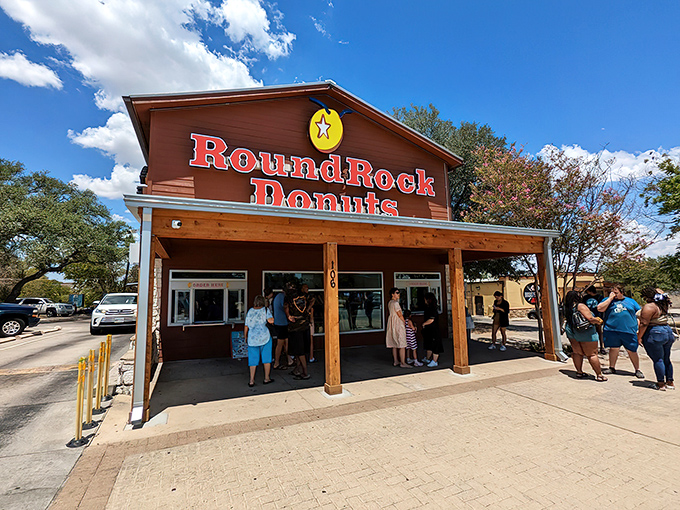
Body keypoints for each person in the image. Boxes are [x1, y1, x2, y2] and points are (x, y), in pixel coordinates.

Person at [596, 284, 644, 378]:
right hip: (612, 330)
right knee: (613, 349)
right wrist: (610, 299)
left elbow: (639, 314)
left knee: (632, 350)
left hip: (628, 331)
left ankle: (637, 369)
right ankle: (612, 367)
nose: (614, 294)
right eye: (612, 292)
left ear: (622, 292)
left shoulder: (631, 301)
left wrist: (637, 327)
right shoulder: (607, 300)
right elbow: (600, 308)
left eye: (616, 292)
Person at [564, 290, 607, 381]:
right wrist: (599, 321)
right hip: (585, 331)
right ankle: (599, 375)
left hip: (571, 330)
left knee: (577, 352)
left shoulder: (567, 307)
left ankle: (579, 372)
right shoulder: (580, 306)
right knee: (592, 354)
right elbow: (590, 319)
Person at [638, 287, 675, 390]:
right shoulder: (663, 303)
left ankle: (661, 384)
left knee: (658, 359)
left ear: (645, 297)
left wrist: (639, 337)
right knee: (666, 359)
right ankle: (670, 382)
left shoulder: (649, 307)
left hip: (655, 332)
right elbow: (662, 292)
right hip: (667, 330)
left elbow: (644, 324)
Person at [244, 295, 275, 387]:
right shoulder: (265, 310)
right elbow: (271, 321)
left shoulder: (250, 311)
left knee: (252, 361)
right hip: (265, 337)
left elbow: (246, 325)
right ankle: (266, 378)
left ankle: (251, 380)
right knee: (266, 359)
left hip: (252, 339)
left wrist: (245, 336)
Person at [286, 285, 314, 380]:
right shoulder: (304, 297)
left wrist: (288, 315)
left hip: (295, 327)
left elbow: (285, 307)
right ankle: (297, 369)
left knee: (299, 351)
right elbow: (313, 299)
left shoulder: (289, 298)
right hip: (305, 325)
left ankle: (305, 373)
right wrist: (307, 309)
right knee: (300, 351)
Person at [386, 287, 411, 368]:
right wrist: (404, 322)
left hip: (391, 323)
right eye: (397, 292)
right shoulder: (396, 303)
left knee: (394, 343)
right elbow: (399, 314)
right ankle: (403, 363)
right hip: (397, 323)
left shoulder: (390, 302)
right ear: (392, 294)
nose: (398, 294)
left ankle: (396, 361)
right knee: (402, 343)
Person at [272, 283, 294, 370]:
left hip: (278, 322)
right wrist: (289, 316)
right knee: (280, 343)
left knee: (285, 342)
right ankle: (276, 363)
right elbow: (285, 307)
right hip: (282, 323)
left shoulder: (277, 296)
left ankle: (289, 360)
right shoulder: (283, 298)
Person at [421, 292, 443, 367]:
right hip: (429, 330)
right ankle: (427, 358)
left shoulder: (432, 308)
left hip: (434, 330)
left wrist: (424, 324)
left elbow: (431, 319)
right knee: (429, 345)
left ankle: (434, 361)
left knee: (435, 345)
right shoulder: (428, 308)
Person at [584, 285, 606, 354]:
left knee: (600, 332)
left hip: (598, 317)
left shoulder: (600, 297)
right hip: (588, 317)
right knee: (590, 333)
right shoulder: (585, 298)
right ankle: (591, 348)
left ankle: (602, 347)